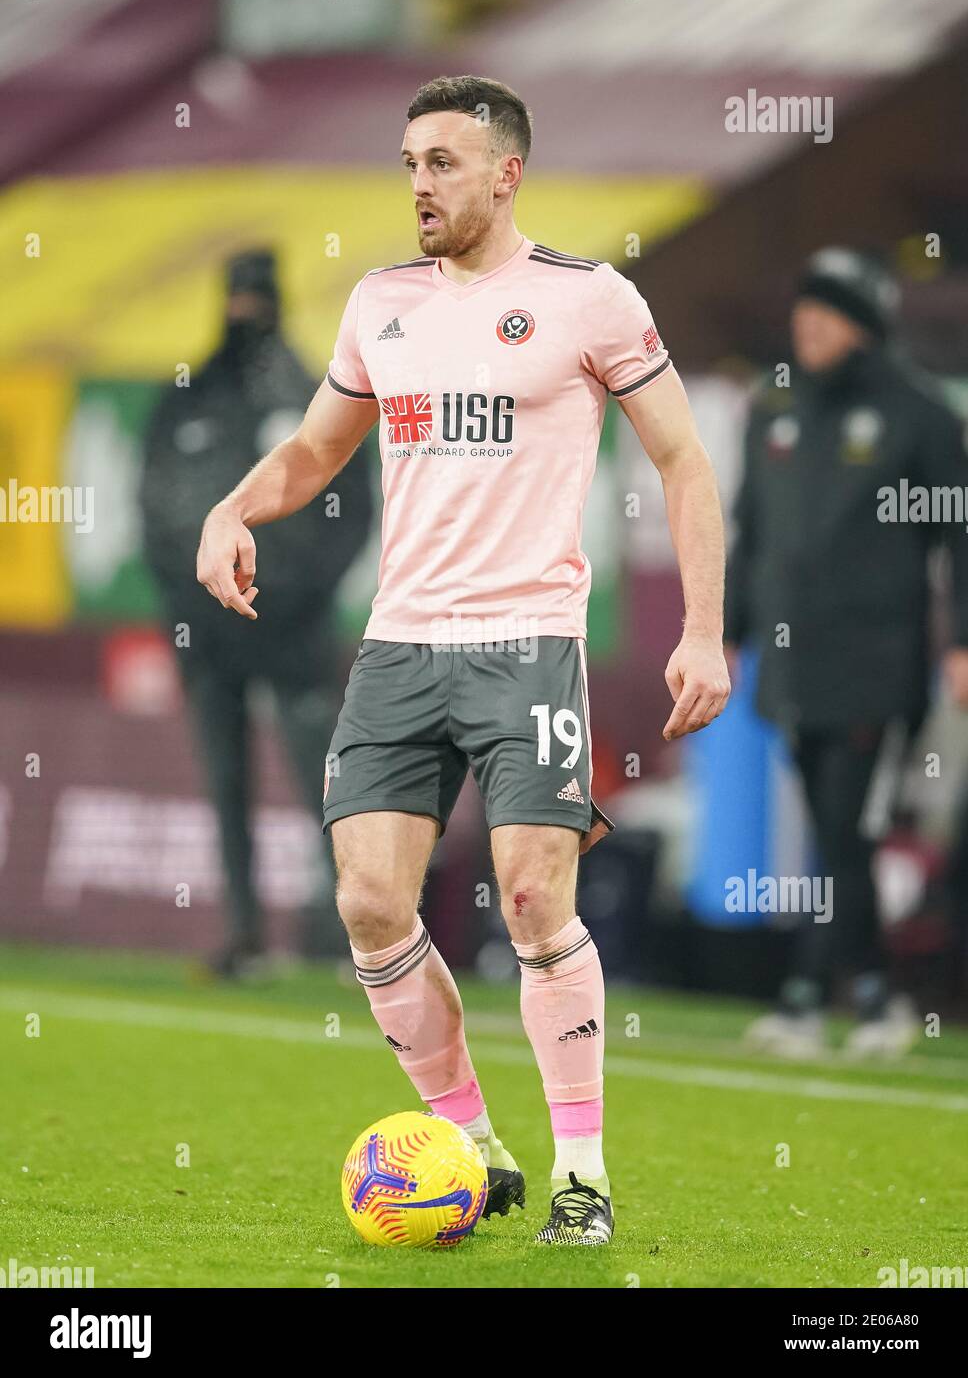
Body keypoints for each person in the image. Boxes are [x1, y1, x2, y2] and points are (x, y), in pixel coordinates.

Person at [196, 77, 730, 1245]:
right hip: (398, 647)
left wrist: (701, 628)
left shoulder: (591, 302)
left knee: (538, 900)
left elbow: (685, 461)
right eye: (408, 164)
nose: (421, 186)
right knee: (371, 904)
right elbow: (315, 450)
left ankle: (581, 1173)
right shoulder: (380, 304)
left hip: (528, 645)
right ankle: (476, 1146)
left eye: (443, 162)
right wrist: (235, 507)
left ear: (506, 173)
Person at [725, 247, 968, 1058]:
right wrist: (724, 631)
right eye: (803, 309)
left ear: (864, 324)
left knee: (841, 821)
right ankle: (871, 997)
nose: (808, 325)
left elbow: (960, 541)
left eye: (827, 312)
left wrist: (962, 643)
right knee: (837, 834)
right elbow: (748, 531)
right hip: (792, 663)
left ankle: (805, 996)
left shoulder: (921, 415)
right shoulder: (775, 405)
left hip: (875, 659)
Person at [141, 249, 373, 978]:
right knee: (224, 780)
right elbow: (151, 507)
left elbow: (351, 509)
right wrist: (185, 598)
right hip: (205, 632)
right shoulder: (187, 395)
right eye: (236, 298)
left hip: (291, 627)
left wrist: (301, 593)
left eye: (255, 299)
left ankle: (350, 933)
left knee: (322, 778)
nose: (245, 313)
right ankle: (243, 934)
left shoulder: (312, 394)